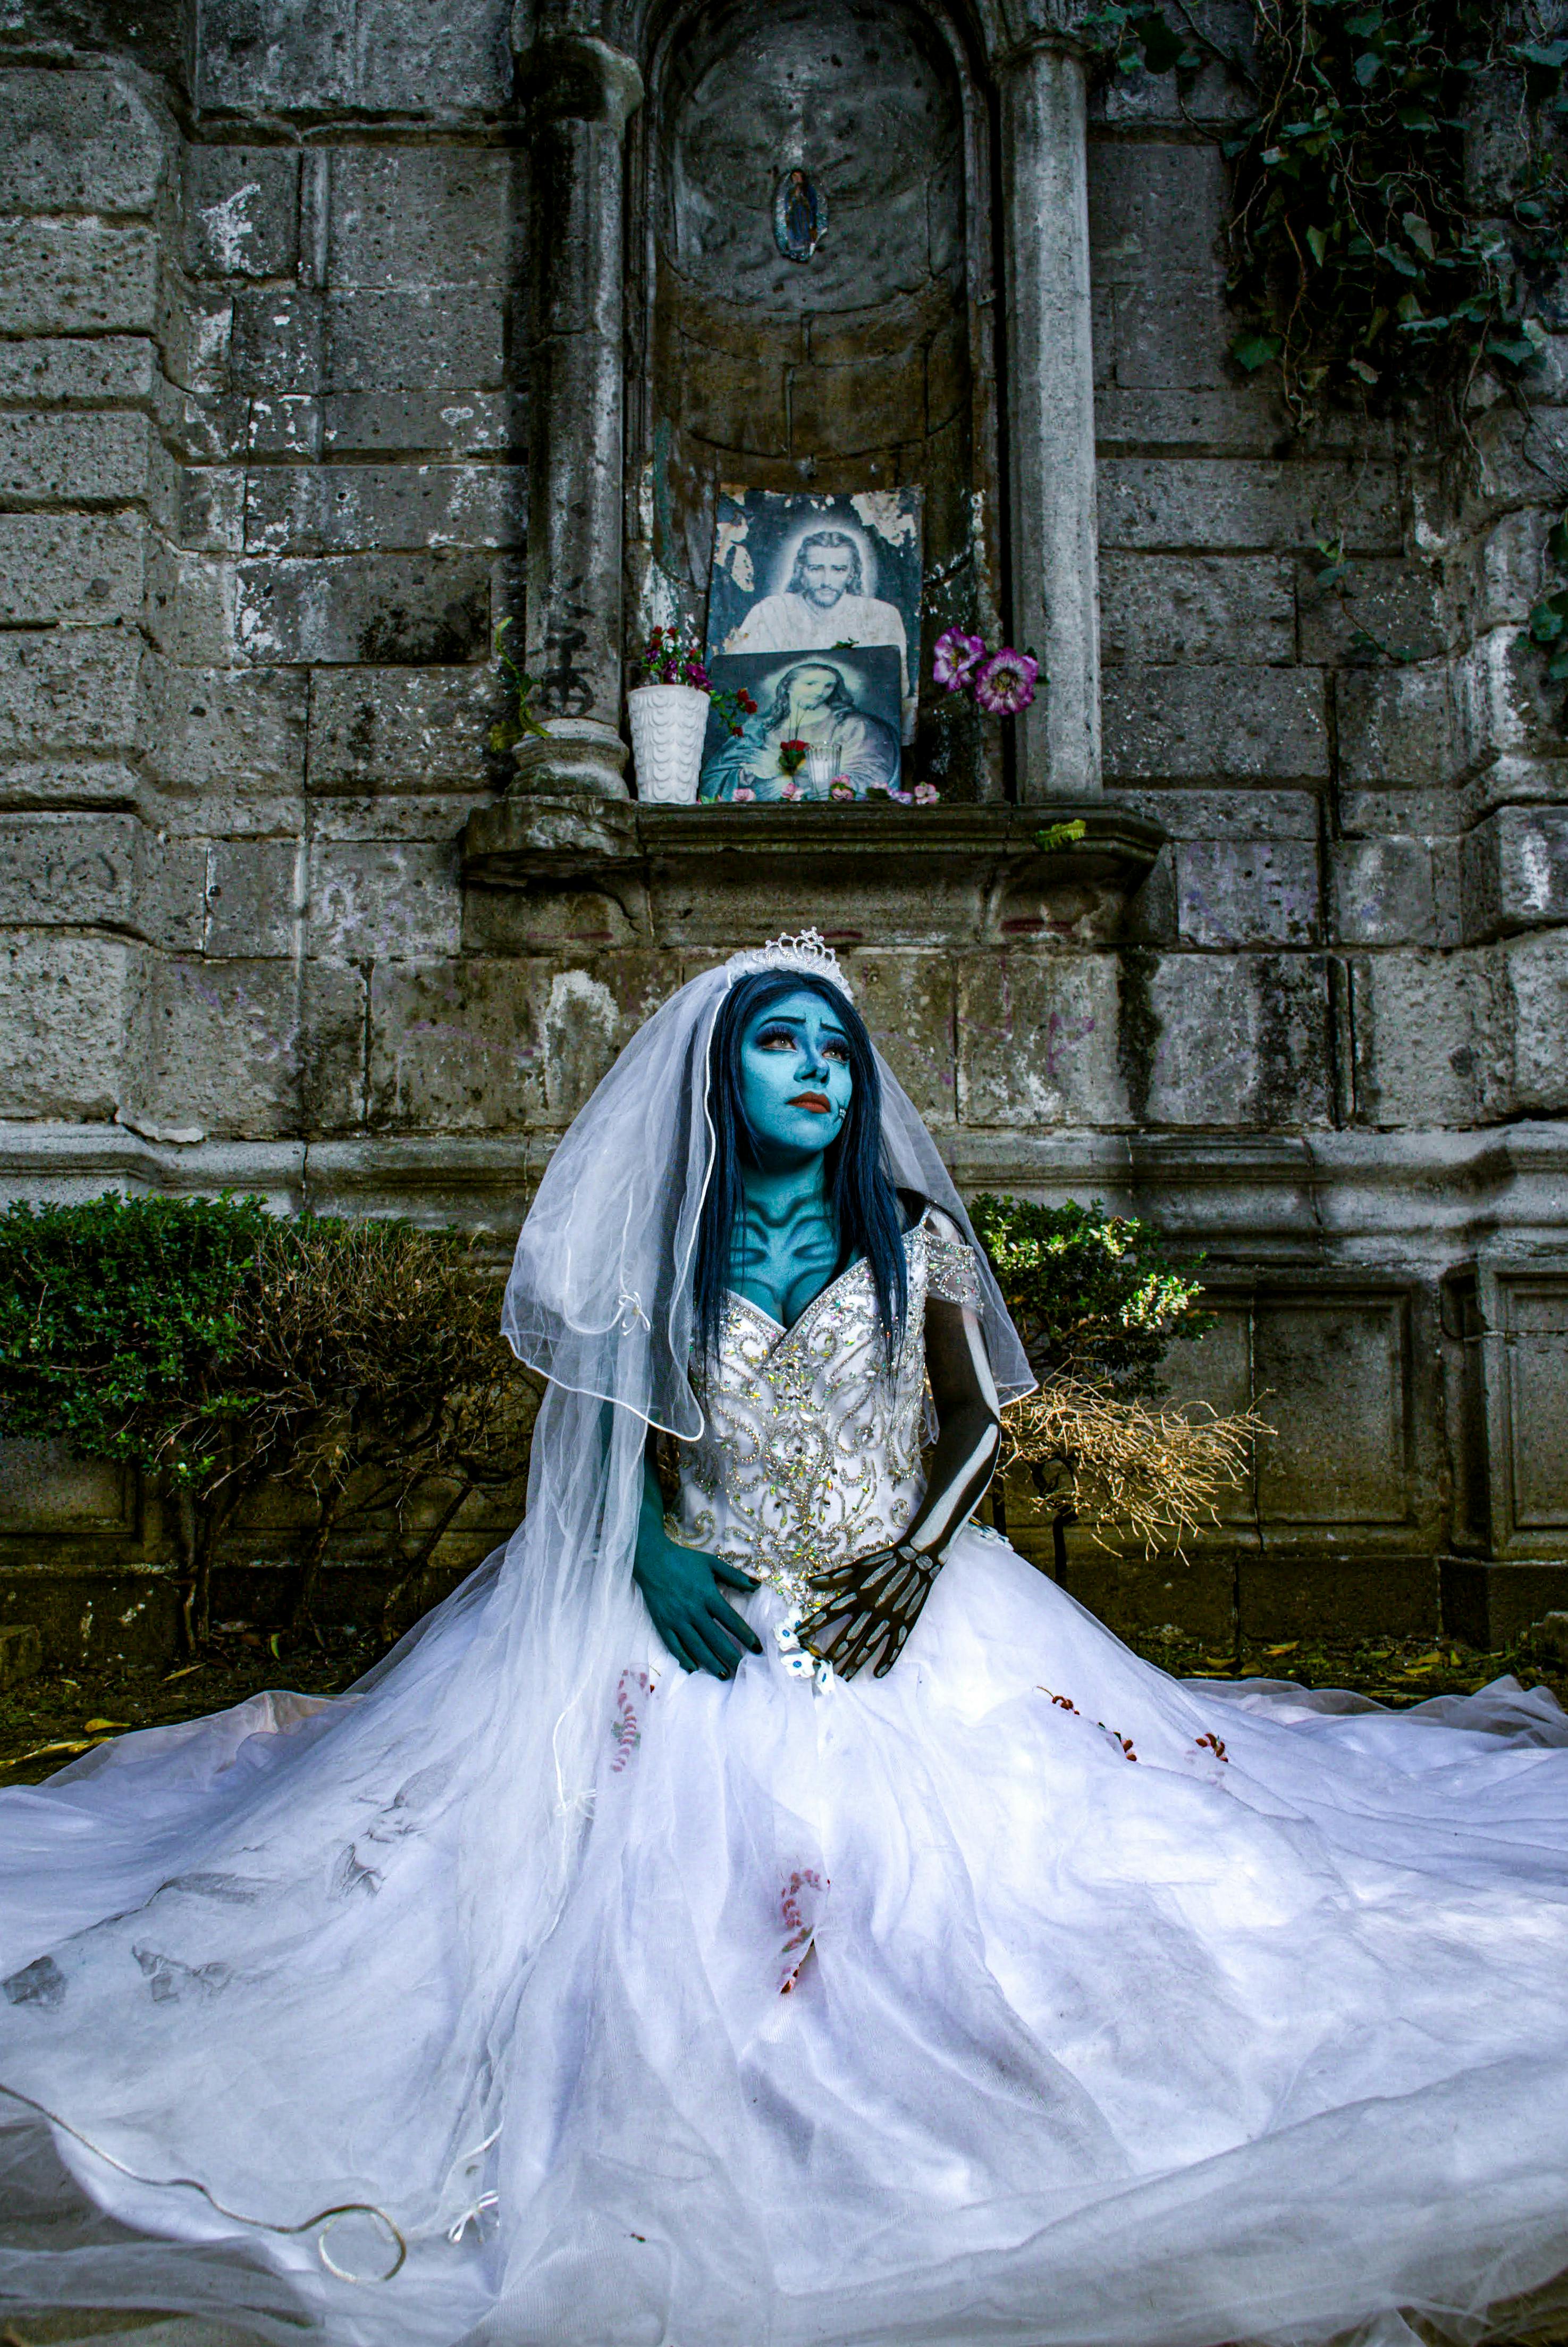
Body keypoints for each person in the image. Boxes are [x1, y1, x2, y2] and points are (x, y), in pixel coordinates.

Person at [4, 930, 1568, 2347]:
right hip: (683, 1597)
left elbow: (977, 1424)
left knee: (1045, 1893)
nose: (815, 1070)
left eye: (835, 1047)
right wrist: (649, 1552)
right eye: (779, 1043)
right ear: (717, 1070)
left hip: (892, 1598)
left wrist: (909, 1561)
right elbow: (605, 1432)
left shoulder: (910, 1237)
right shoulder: (662, 1244)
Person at [722, 527, 914, 737]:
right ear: (801, 571)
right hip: (779, 733)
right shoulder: (770, 612)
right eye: (816, 569)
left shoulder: (881, 616)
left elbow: (896, 693)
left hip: (851, 733)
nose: (826, 581)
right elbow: (740, 683)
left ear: (852, 573)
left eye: (838, 569)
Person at [699, 658, 900, 800]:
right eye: (811, 684)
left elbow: (872, 776)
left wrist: (795, 774)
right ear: (788, 686)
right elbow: (715, 778)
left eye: (829, 686)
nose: (820, 692)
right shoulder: (759, 728)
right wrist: (745, 776)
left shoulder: (854, 725)